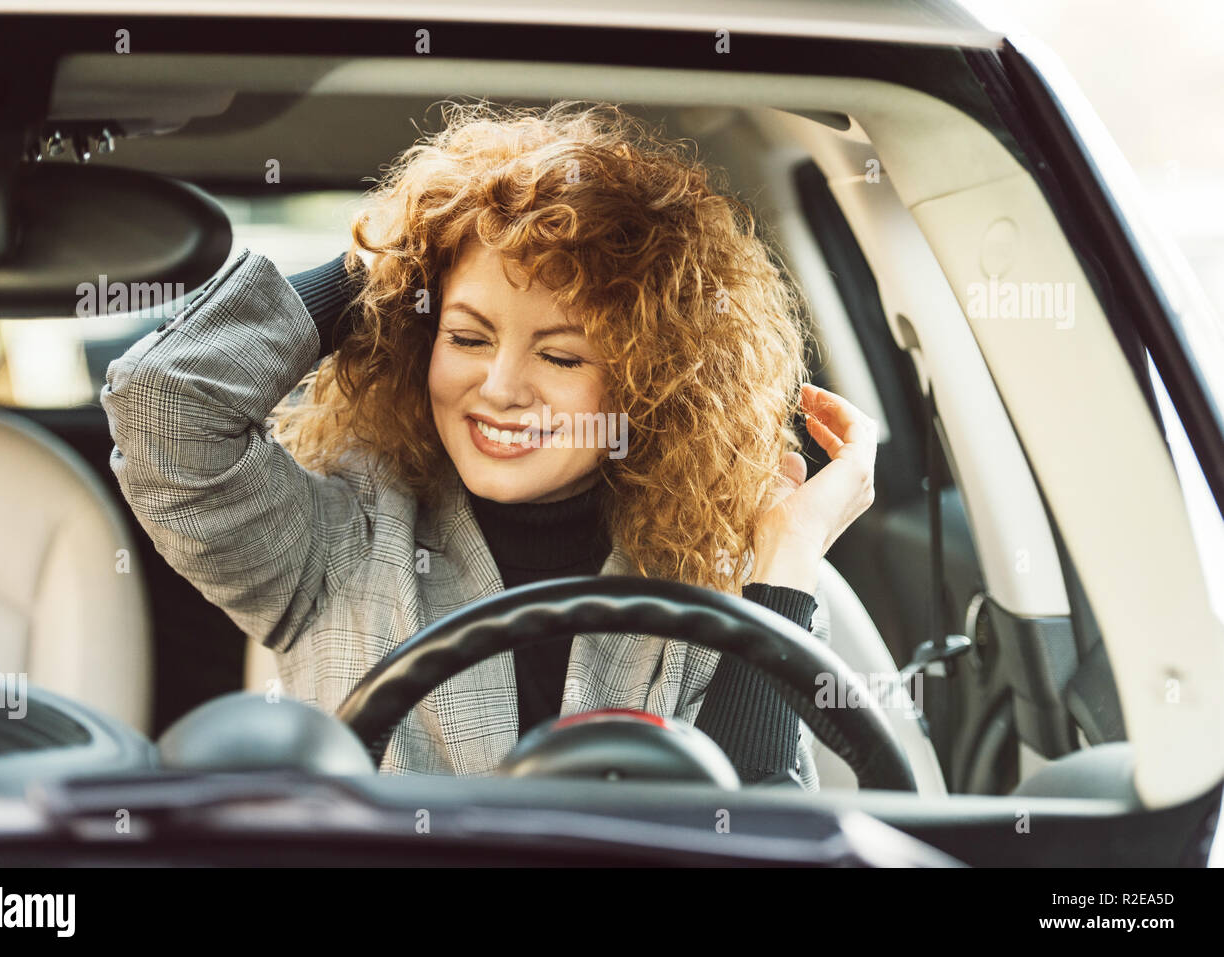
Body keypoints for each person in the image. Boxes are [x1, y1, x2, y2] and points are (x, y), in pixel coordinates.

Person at [101, 101, 877, 785]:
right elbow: (164, 404)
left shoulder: (714, 577)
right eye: (467, 336)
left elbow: (760, 830)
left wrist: (786, 560)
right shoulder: (335, 544)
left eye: (562, 355)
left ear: (654, 380)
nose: (500, 387)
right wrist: (386, 265)